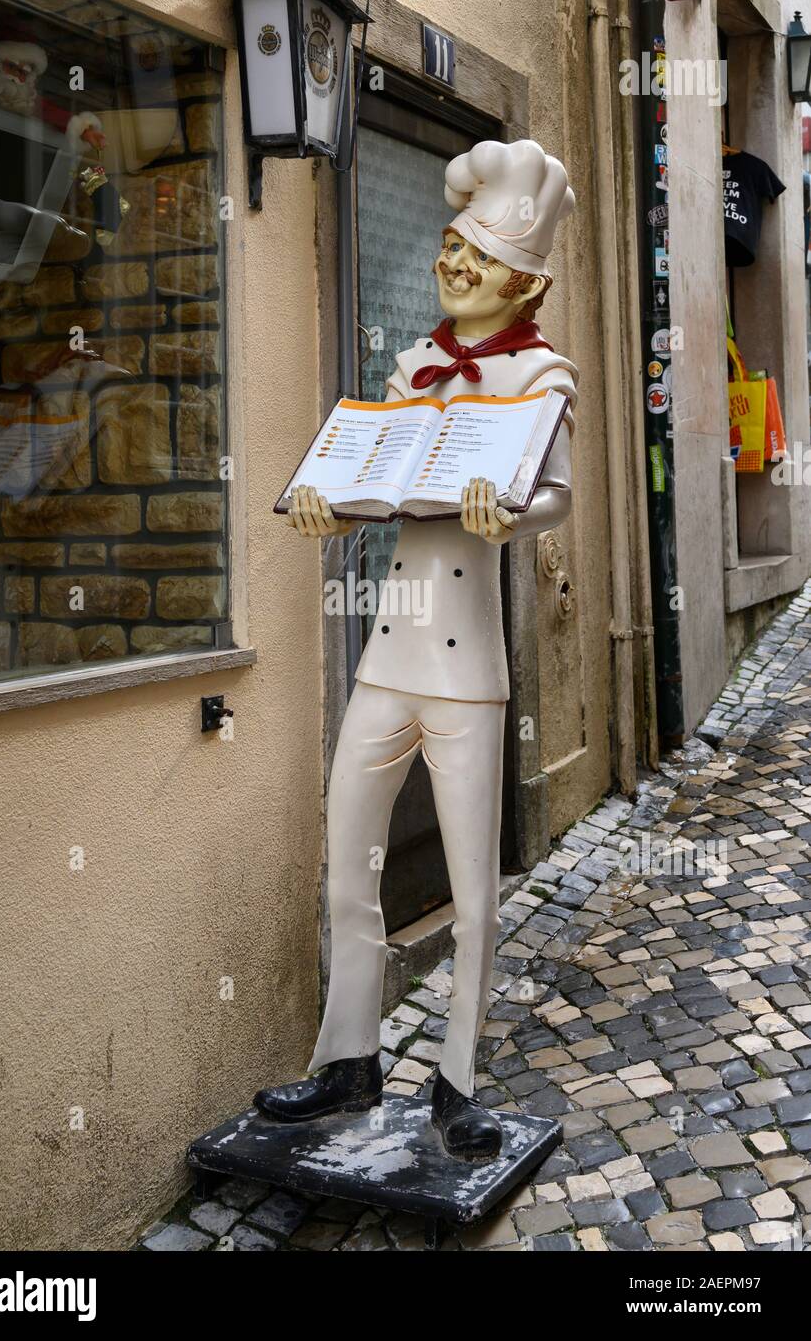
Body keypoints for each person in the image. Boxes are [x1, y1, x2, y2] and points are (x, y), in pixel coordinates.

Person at [256, 140, 579, 1161]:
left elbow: (558, 495)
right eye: (449, 247)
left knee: (473, 887)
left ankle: (457, 1078)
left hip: (465, 671)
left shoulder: (537, 373)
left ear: (523, 280)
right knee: (349, 860)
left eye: (476, 256)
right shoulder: (407, 368)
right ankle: (347, 1058)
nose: (453, 266)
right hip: (385, 660)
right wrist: (324, 504)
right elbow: (378, 474)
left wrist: (510, 512)